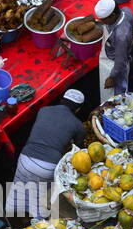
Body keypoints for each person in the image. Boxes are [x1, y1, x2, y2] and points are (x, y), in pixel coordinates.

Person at [9, 89, 86, 218]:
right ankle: (37, 222)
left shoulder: (43, 110)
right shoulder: (78, 125)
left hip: (25, 159)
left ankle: (21, 215)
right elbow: (79, 152)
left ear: (62, 100)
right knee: (41, 197)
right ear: (78, 110)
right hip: (47, 167)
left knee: (22, 188)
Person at [95, 0, 133, 99]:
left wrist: (112, 77)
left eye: (103, 19)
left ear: (113, 15)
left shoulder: (121, 36)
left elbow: (120, 59)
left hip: (115, 64)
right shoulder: (126, 10)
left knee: (115, 97)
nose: (101, 22)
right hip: (113, 53)